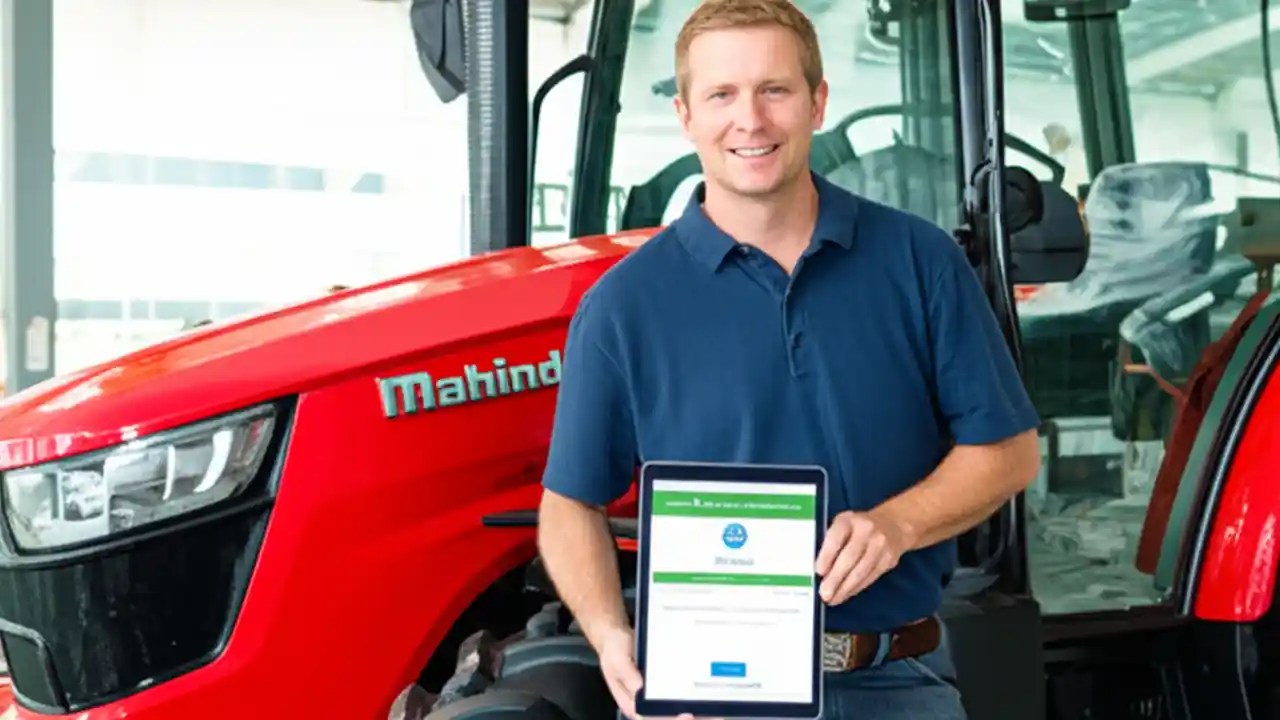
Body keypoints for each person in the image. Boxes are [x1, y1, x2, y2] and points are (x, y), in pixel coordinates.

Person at [535, 1, 1042, 718]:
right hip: (704, 697)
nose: (751, 119)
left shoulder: (920, 262)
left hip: (893, 680)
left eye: (774, 90)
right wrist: (612, 637)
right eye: (722, 95)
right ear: (686, 115)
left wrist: (898, 524)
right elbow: (570, 503)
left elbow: (1009, 452)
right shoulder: (623, 305)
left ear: (818, 101)